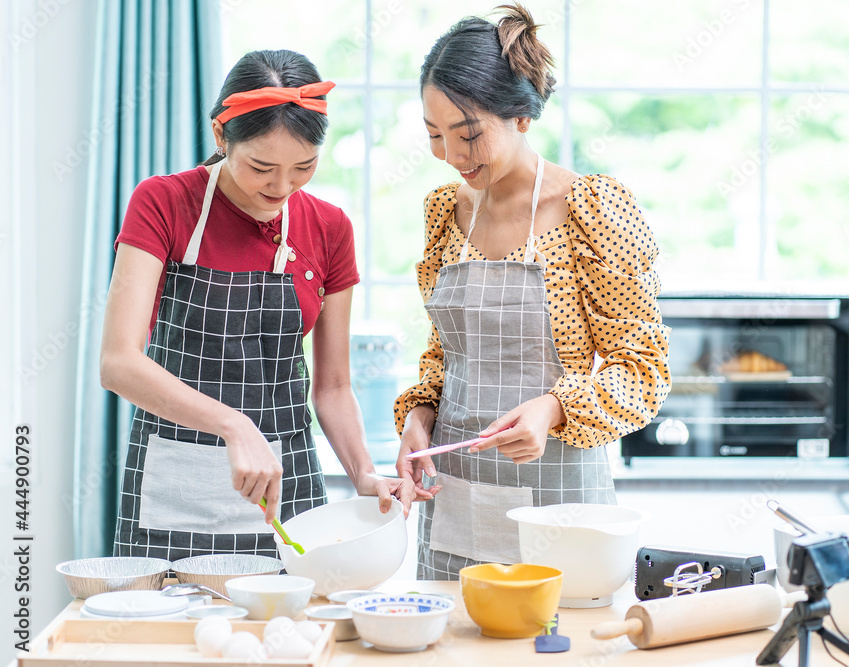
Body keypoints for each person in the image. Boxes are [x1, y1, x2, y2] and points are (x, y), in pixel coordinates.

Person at [101, 49, 416, 561]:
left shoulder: (330, 228)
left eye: (303, 167)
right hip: (173, 489)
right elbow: (118, 364)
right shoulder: (162, 203)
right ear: (222, 137)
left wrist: (363, 473)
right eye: (262, 167)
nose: (282, 187)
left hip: (287, 489)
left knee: (287, 637)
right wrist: (234, 424)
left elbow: (333, 386)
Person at [394, 4, 671, 580]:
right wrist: (419, 416)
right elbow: (446, 354)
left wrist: (555, 407)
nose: (451, 156)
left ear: (521, 115)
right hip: (455, 509)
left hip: (562, 511)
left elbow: (643, 369)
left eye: (468, 134)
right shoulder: (447, 212)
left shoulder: (592, 211)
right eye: (435, 135)